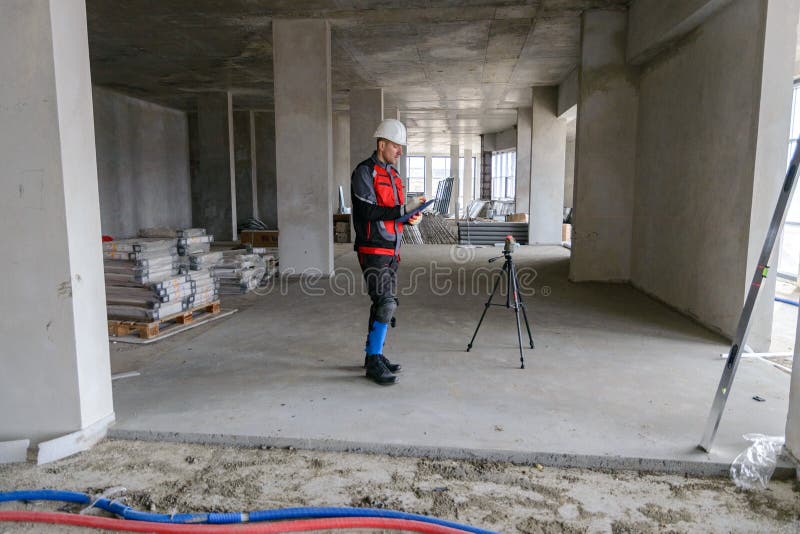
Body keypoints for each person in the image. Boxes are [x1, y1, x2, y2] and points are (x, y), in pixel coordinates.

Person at [351, 119, 426, 385]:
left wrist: (409, 217)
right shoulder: (364, 172)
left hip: (392, 248)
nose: (400, 151)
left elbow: (393, 213)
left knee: (383, 303)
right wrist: (402, 211)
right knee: (386, 302)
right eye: (396, 146)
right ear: (382, 145)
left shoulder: (393, 175)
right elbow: (366, 212)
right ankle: (373, 361)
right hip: (373, 248)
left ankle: (374, 354)